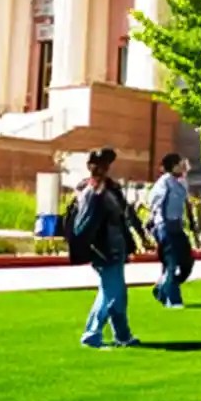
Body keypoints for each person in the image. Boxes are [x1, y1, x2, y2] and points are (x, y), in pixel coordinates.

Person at [70, 148, 141, 349]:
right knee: (113, 294)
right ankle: (92, 335)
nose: (103, 169)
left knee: (114, 293)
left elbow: (124, 216)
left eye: (106, 165)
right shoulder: (91, 192)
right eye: (99, 165)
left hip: (116, 248)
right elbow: (82, 226)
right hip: (104, 250)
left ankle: (122, 335)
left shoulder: (110, 189)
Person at [147, 153, 199, 308]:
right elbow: (157, 204)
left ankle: (162, 288)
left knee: (187, 262)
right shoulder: (164, 183)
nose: (183, 165)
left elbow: (187, 204)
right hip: (164, 226)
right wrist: (158, 226)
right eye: (179, 163)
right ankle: (174, 299)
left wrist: (192, 225)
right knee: (171, 263)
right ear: (173, 166)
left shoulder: (182, 182)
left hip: (177, 226)